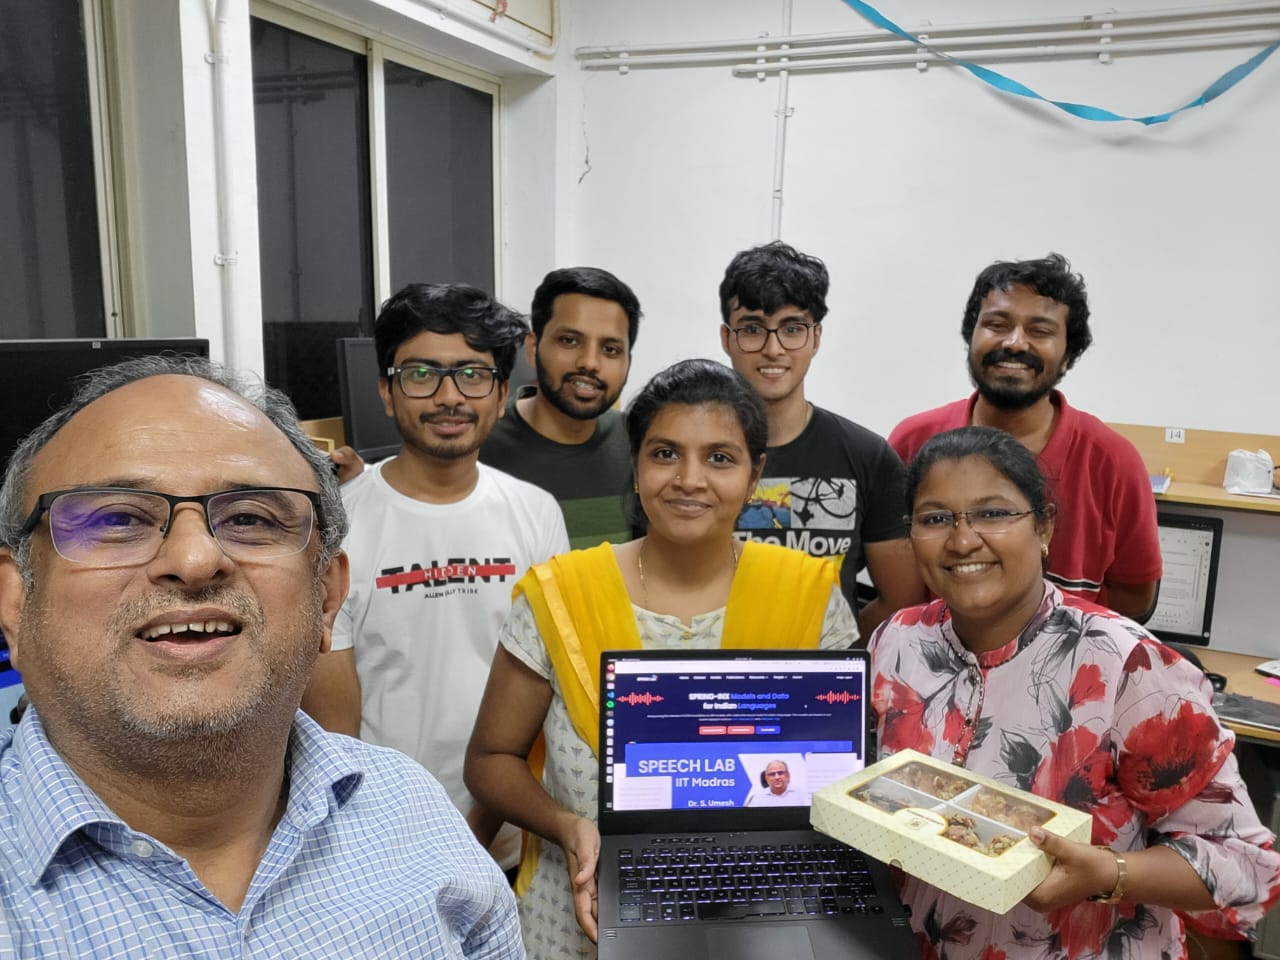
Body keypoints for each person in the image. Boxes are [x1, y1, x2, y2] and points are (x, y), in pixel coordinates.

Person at [0, 356, 521, 958]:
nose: (194, 560)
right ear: (16, 600)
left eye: (250, 518)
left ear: (327, 595)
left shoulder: (412, 812)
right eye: (118, 518)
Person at [464, 359, 857, 959]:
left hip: (760, 904)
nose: (689, 479)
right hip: (580, 911)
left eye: (720, 458)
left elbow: (833, 777)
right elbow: (491, 760)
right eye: (665, 453)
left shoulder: (807, 596)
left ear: (757, 475)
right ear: (636, 464)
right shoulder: (561, 594)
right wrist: (568, 827)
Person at [871, 425, 1280, 959]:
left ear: (1044, 527)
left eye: (993, 513)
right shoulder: (897, 640)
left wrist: (1107, 872)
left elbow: (1249, 865)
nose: (963, 539)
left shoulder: (1129, 665)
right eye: (935, 518)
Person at [302, 283, 569, 873]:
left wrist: (472, 843)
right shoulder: (336, 526)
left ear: (501, 393)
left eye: (473, 375)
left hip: (506, 845)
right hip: (372, 852)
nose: (449, 396)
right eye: (421, 374)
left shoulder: (537, 513)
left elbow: (543, 702)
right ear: (387, 391)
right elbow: (332, 735)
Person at [888, 253, 1161, 620]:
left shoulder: (1112, 461)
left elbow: (1135, 598)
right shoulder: (912, 441)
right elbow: (893, 579)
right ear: (971, 337)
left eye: (1040, 330)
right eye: (997, 324)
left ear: (1068, 355)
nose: (1015, 343)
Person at [719, 241, 925, 638]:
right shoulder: (693, 459)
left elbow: (901, 601)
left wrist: (833, 649)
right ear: (727, 338)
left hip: (824, 690)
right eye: (752, 329)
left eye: (792, 329)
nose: (773, 348)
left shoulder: (868, 456)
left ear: (816, 338)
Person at [480, 266, 641, 548]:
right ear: (532, 348)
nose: (590, 362)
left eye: (611, 349)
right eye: (569, 341)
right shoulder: (477, 446)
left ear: (628, 361)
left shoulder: (641, 444)